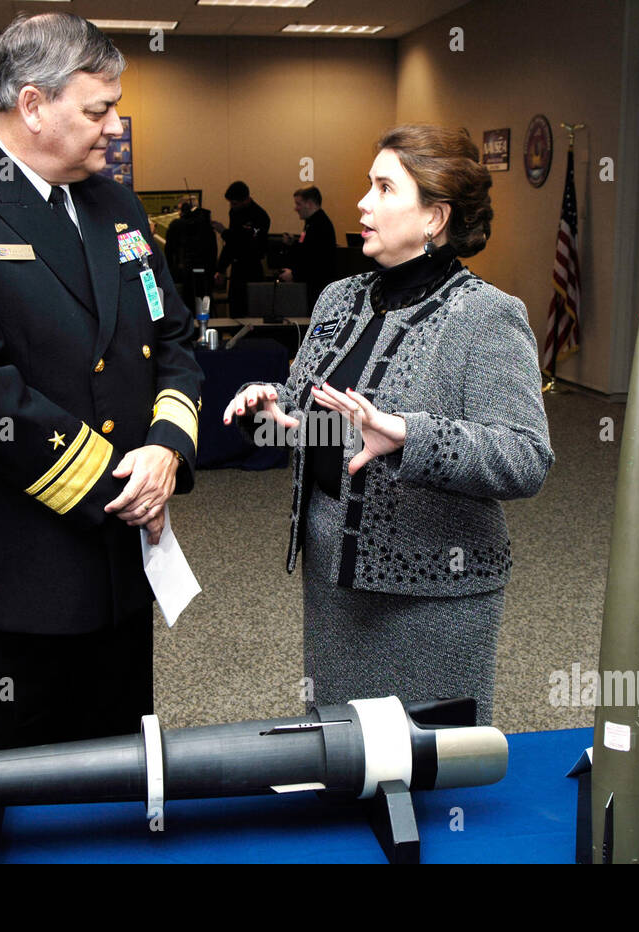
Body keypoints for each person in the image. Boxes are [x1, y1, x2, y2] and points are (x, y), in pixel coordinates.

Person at [0, 12, 202, 756]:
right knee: (10, 796)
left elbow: (172, 335)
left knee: (116, 780)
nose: (115, 127)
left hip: (117, 571)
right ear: (31, 104)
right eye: (99, 110)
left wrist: (164, 449)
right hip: (9, 578)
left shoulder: (115, 205)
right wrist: (120, 486)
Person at [223, 125, 553, 724]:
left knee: (423, 776)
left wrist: (411, 436)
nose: (362, 204)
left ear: (435, 217)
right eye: (366, 186)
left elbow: (526, 456)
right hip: (335, 575)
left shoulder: (485, 317)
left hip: (428, 593)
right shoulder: (339, 298)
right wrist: (273, 421)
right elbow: (325, 430)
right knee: (345, 761)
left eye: (383, 188)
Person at [213, 180, 269, 318]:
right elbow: (231, 245)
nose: (232, 206)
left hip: (252, 268)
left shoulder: (260, 216)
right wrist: (221, 268)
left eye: (235, 203)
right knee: (236, 311)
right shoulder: (235, 212)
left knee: (252, 311)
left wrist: (224, 232)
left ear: (245, 199)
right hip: (237, 268)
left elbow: (246, 243)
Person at [276, 186, 337, 310]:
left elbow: (316, 260)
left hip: (317, 289)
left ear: (309, 204)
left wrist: (294, 274)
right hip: (313, 286)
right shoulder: (312, 223)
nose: (296, 208)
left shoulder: (319, 225)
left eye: (298, 204)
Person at [164, 199, 217, 317]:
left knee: (184, 308)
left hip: (182, 274)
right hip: (204, 275)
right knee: (205, 307)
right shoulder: (206, 227)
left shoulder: (176, 226)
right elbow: (212, 252)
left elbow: (169, 251)